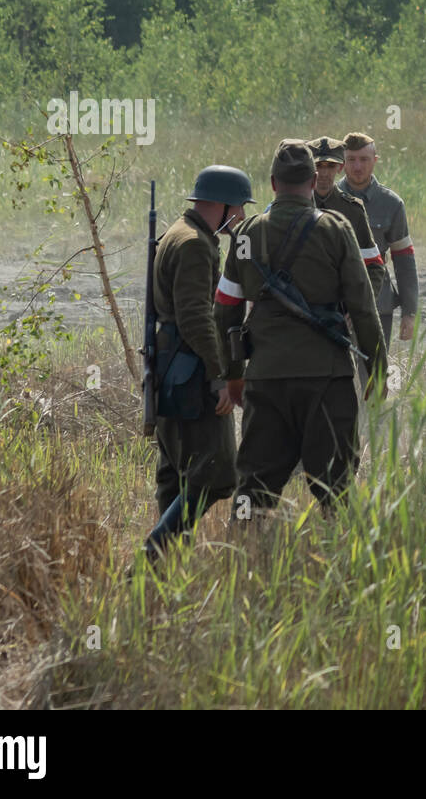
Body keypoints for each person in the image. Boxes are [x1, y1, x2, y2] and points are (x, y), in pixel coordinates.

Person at [216, 140, 387, 516]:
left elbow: (225, 311)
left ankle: (242, 556)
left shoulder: (245, 235)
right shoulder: (336, 229)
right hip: (327, 377)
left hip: (266, 377)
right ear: (312, 181)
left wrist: (233, 375)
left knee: (254, 487)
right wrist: (377, 367)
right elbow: (363, 307)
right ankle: (340, 559)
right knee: (336, 489)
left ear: (274, 184)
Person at [144, 165, 252, 560]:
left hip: (173, 367)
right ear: (222, 204)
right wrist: (218, 375)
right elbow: (195, 316)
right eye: (238, 207)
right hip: (190, 370)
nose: (240, 217)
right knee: (214, 473)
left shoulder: (179, 233)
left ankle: (166, 566)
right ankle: (155, 551)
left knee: (174, 474)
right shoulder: (194, 244)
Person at [339, 132, 417, 385]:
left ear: (375, 160)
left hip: (378, 302)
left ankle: (375, 425)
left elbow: (404, 259)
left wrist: (409, 311)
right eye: (351, 159)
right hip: (334, 303)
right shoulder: (326, 198)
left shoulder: (391, 203)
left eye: (363, 159)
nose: (357, 166)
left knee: (374, 377)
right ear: (342, 161)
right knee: (338, 377)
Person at [308, 135, 386, 298]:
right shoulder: (294, 206)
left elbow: (373, 265)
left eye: (330, 166)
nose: (323, 172)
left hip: (340, 306)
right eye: (318, 165)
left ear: (340, 167)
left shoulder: (353, 210)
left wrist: (360, 307)